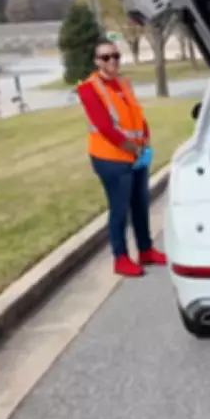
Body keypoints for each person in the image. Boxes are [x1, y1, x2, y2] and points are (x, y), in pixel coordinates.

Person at [77, 39, 167, 277]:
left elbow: (137, 114)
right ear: (97, 62)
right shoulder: (89, 88)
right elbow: (105, 127)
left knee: (140, 203)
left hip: (136, 156)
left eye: (115, 56)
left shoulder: (124, 83)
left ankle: (146, 250)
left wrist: (145, 139)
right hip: (111, 159)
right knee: (119, 209)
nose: (112, 61)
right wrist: (134, 149)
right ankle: (121, 258)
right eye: (105, 57)